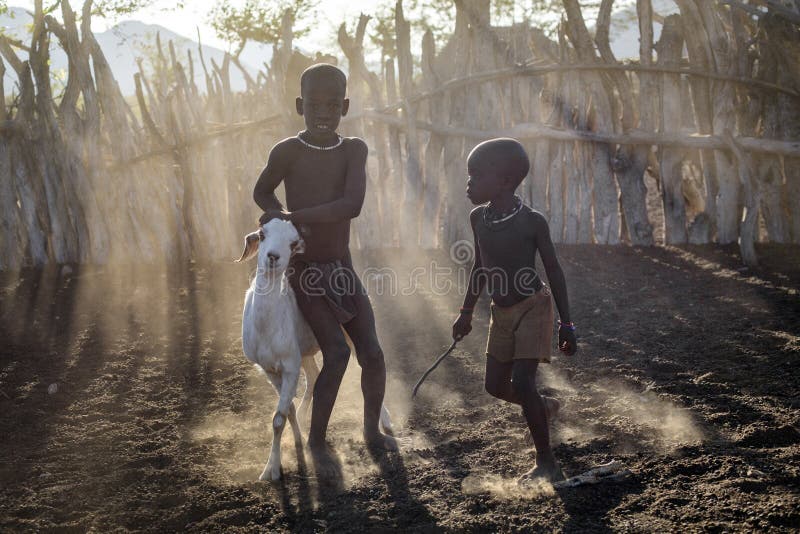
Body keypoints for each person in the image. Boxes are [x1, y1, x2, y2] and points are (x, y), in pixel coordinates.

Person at [253, 64, 397, 477]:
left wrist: (294, 215)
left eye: (333, 105)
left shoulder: (354, 150)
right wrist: (277, 217)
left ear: (345, 107)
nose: (323, 112)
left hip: (341, 266)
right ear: (300, 105)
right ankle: (317, 441)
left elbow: (352, 205)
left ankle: (372, 431)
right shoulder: (287, 151)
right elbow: (261, 190)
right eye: (314, 105)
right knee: (335, 353)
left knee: (371, 352)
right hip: (305, 270)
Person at [451, 137, 577, 484]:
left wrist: (567, 324)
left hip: (533, 307)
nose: (469, 183)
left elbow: (553, 270)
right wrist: (465, 312)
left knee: (522, 382)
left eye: (476, 176)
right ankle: (544, 407)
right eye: (469, 176)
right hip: (501, 311)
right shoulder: (479, 218)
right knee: (494, 385)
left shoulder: (532, 222)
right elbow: (480, 266)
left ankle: (546, 462)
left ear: (505, 182)